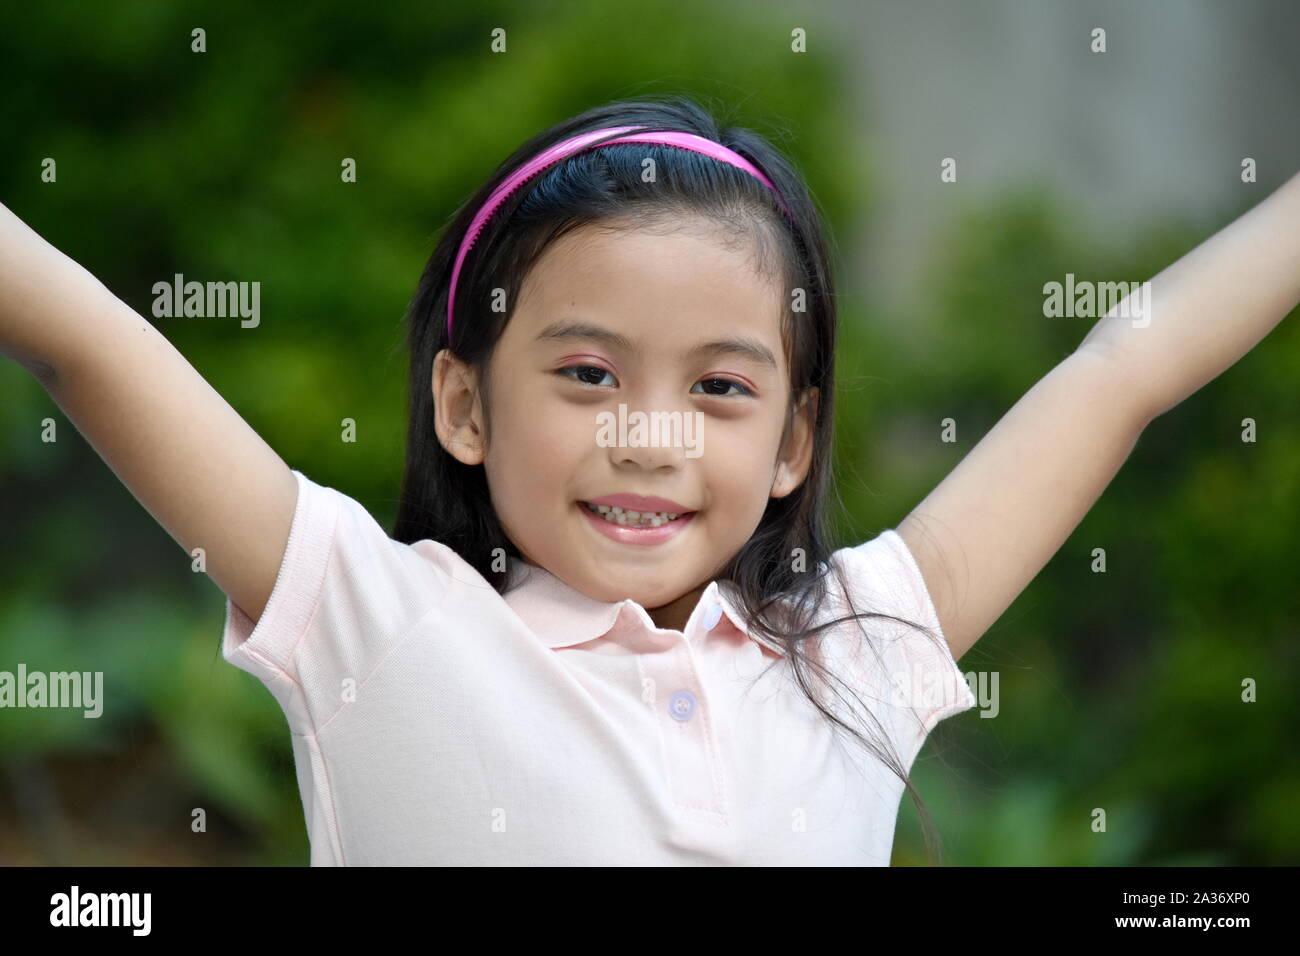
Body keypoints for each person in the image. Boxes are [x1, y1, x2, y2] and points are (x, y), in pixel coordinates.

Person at [3, 96, 1297, 865]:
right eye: (589, 374)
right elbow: (84, 337)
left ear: (795, 442)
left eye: (721, 389)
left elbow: (1127, 369)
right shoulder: (375, 624)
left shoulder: (859, 649)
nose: (653, 437)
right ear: (464, 404)